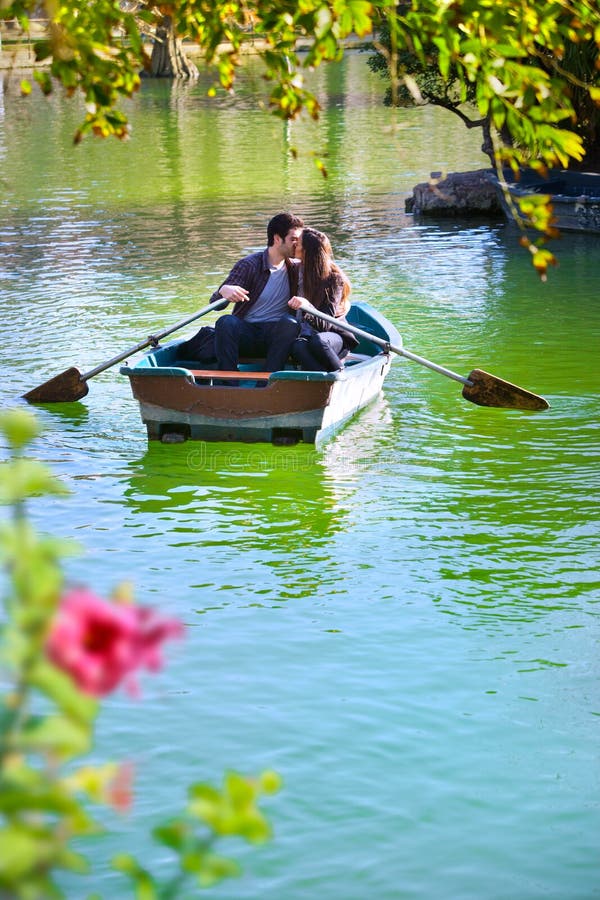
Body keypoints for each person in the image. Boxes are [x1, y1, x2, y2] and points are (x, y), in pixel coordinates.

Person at [210, 212, 304, 372]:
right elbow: (215, 304)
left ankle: (268, 381)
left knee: (291, 324)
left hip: (277, 335)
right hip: (248, 332)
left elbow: (327, 270)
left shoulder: (298, 268)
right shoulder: (249, 265)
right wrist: (223, 290)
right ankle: (227, 382)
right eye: (293, 239)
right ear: (277, 239)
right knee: (225, 322)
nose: (297, 244)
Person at [287, 227, 358, 371]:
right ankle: (323, 385)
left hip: (333, 336)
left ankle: (340, 376)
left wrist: (307, 306)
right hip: (306, 334)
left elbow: (326, 323)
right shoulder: (294, 271)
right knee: (297, 346)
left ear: (307, 251)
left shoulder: (334, 279)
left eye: (298, 243)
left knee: (318, 342)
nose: (295, 245)